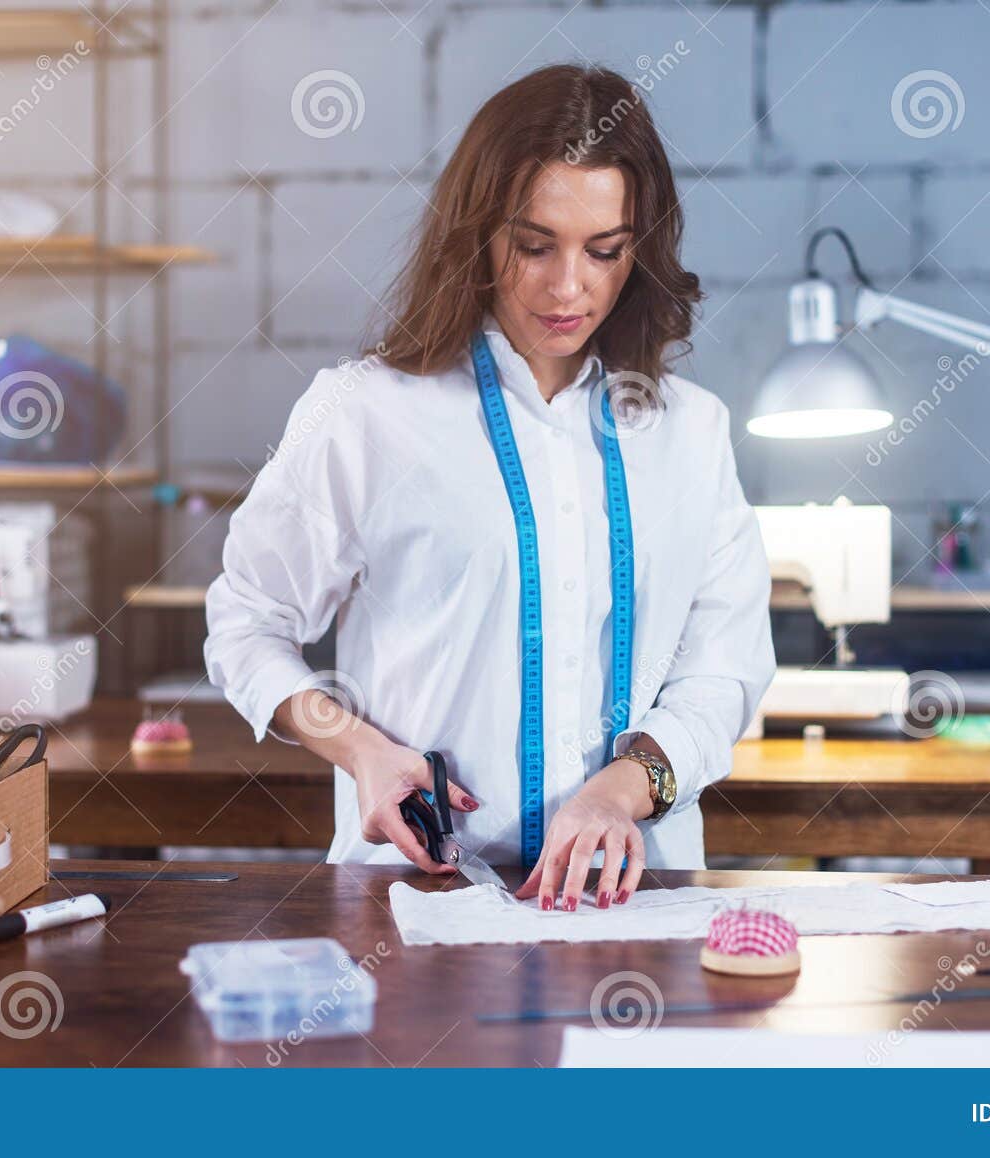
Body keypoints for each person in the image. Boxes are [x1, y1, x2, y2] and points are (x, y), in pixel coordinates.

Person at [205, 63, 775, 911]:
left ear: (640, 252)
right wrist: (359, 748)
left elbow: (725, 671)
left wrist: (621, 789)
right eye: (534, 245)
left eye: (605, 251)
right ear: (476, 235)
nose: (568, 285)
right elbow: (247, 623)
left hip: (637, 903)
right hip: (419, 898)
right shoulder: (366, 413)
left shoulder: (689, 432)